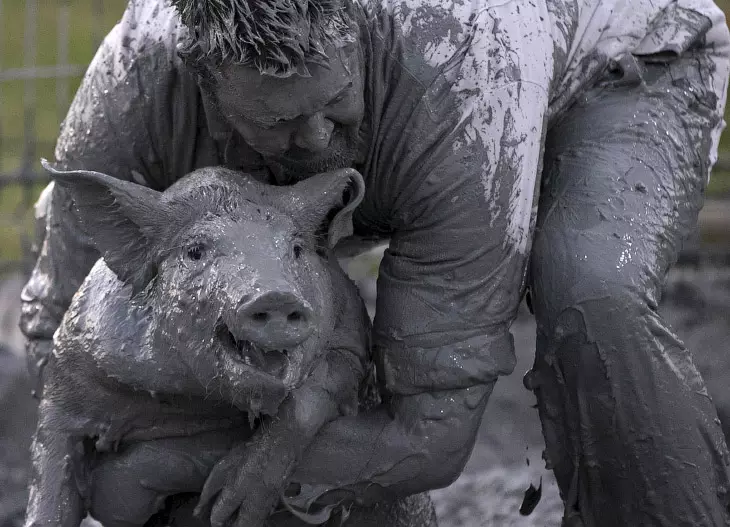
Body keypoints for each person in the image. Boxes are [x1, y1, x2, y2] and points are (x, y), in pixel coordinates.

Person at [19, 0, 730, 525]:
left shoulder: (461, 67)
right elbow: (58, 334)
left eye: (335, 103)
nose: (323, 139)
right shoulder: (138, 77)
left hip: (628, 64)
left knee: (586, 283)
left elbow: (430, 431)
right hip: (450, 108)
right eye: (279, 122)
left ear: (358, 27)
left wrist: (162, 468)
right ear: (203, 85)